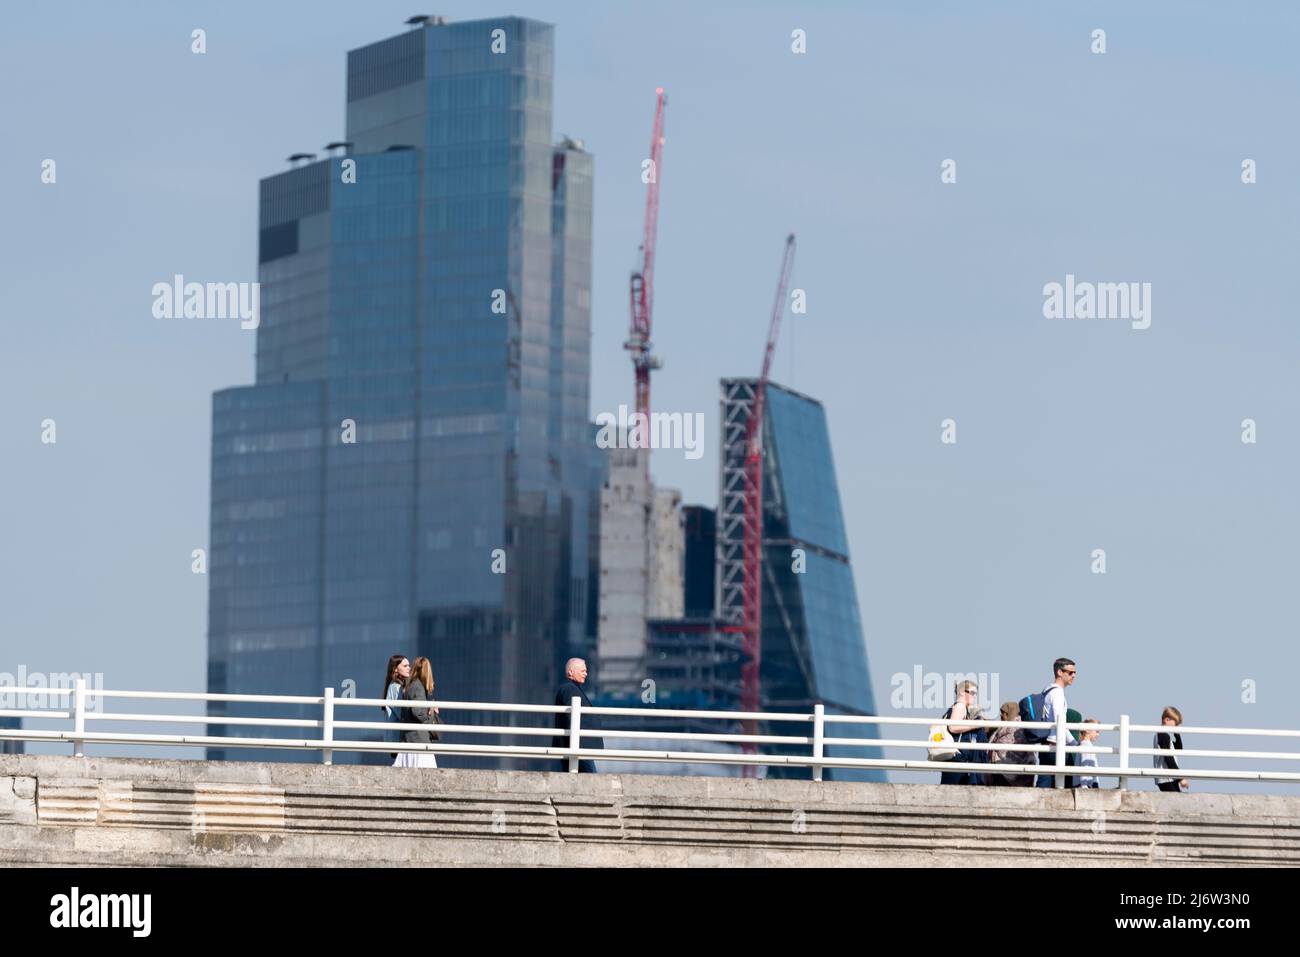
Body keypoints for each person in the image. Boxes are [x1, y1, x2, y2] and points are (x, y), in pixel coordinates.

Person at [554, 658, 603, 773]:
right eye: (582, 671)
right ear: (571, 672)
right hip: (578, 746)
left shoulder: (572, 688)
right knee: (591, 780)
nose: (586, 674)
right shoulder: (569, 688)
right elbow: (571, 718)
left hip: (580, 746)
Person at [1036, 657, 1077, 788]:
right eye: (1070, 673)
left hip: (1045, 743)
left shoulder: (1047, 690)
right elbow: (1060, 722)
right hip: (1055, 745)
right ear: (1060, 672)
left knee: (1044, 783)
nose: (1074, 676)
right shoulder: (1058, 693)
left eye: (1075, 673)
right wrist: (1075, 743)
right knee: (1068, 782)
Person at [939, 680, 988, 785]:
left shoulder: (957, 707)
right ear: (962, 692)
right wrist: (977, 724)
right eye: (972, 693)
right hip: (957, 756)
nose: (974, 696)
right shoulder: (960, 706)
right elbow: (953, 727)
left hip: (953, 756)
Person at [394, 657, 438, 768]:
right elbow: (417, 712)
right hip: (417, 740)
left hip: (410, 739)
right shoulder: (418, 687)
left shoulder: (410, 685)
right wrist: (429, 715)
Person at [988, 700, 1035, 786]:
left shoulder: (1016, 728)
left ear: (1011, 713)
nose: (1001, 716)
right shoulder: (1004, 728)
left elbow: (1006, 748)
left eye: (1004, 713)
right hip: (1001, 770)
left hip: (1009, 772)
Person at [382, 654, 410, 760]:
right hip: (397, 740)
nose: (409, 668)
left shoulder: (394, 686)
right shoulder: (395, 687)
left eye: (409, 665)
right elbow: (402, 714)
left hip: (395, 740)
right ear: (395, 669)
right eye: (405, 666)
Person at [1154, 706, 1187, 792]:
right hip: (1166, 778)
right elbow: (1169, 758)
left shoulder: (1164, 735)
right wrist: (1180, 778)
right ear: (1167, 720)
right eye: (1175, 723)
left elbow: (1179, 748)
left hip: (1169, 777)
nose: (1176, 726)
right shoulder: (1163, 735)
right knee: (1177, 803)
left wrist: (1176, 734)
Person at [1077, 718, 1101, 788]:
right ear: (1087, 730)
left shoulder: (1085, 744)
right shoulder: (1086, 745)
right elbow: (1085, 766)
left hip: (1087, 783)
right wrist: (1084, 786)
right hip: (1086, 784)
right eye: (1097, 731)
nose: (1098, 734)